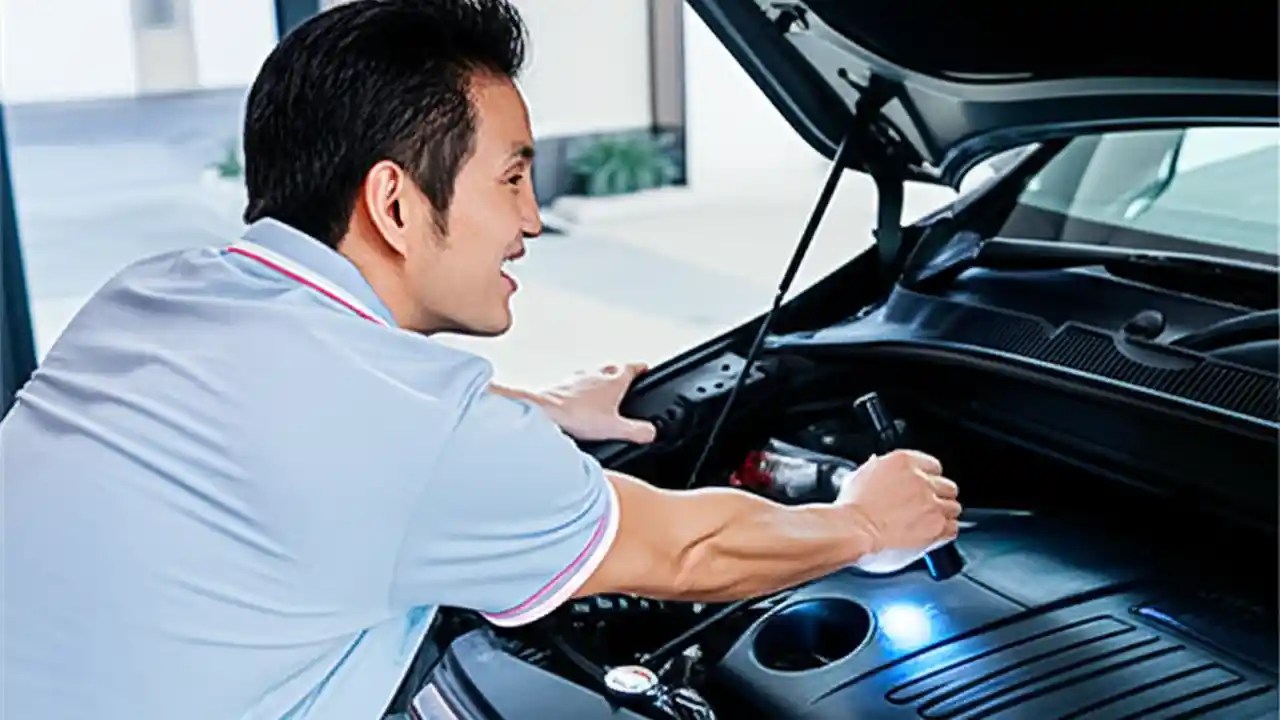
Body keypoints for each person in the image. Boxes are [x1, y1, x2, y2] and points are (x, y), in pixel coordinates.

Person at [0, 1, 961, 717]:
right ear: (394, 204)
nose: (533, 219)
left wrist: (542, 409)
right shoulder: (416, 439)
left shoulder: (155, 297)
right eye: (511, 176)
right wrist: (866, 522)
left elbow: (317, 408)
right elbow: (689, 548)